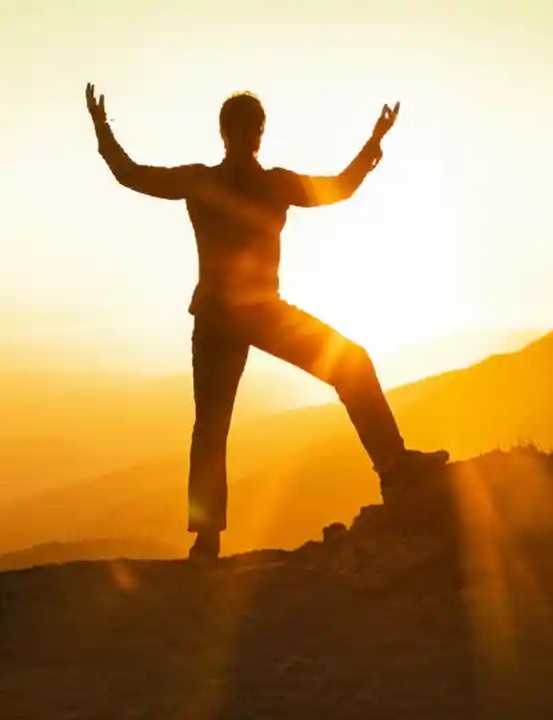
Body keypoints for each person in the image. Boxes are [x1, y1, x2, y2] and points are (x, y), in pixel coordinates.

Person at [86, 83, 448, 561]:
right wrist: (102, 128)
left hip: (230, 313)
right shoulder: (254, 183)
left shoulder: (217, 182)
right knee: (233, 417)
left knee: (227, 419)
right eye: (246, 127)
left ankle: (212, 536)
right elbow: (131, 175)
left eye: (254, 126)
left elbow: (338, 187)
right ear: (231, 133)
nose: (251, 134)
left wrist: (375, 141)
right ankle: (391, 469)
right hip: (244, 313)